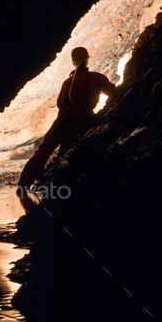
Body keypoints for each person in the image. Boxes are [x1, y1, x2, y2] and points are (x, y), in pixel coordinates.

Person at [17, 47, 115, 205]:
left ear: (73, 62)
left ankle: (23, 186)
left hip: (64, 120)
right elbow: (113, 92)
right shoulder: (97, 78)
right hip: (86, 119)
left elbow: (60, 104)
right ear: (87, 59)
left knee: (44, 150)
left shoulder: (68, 82)